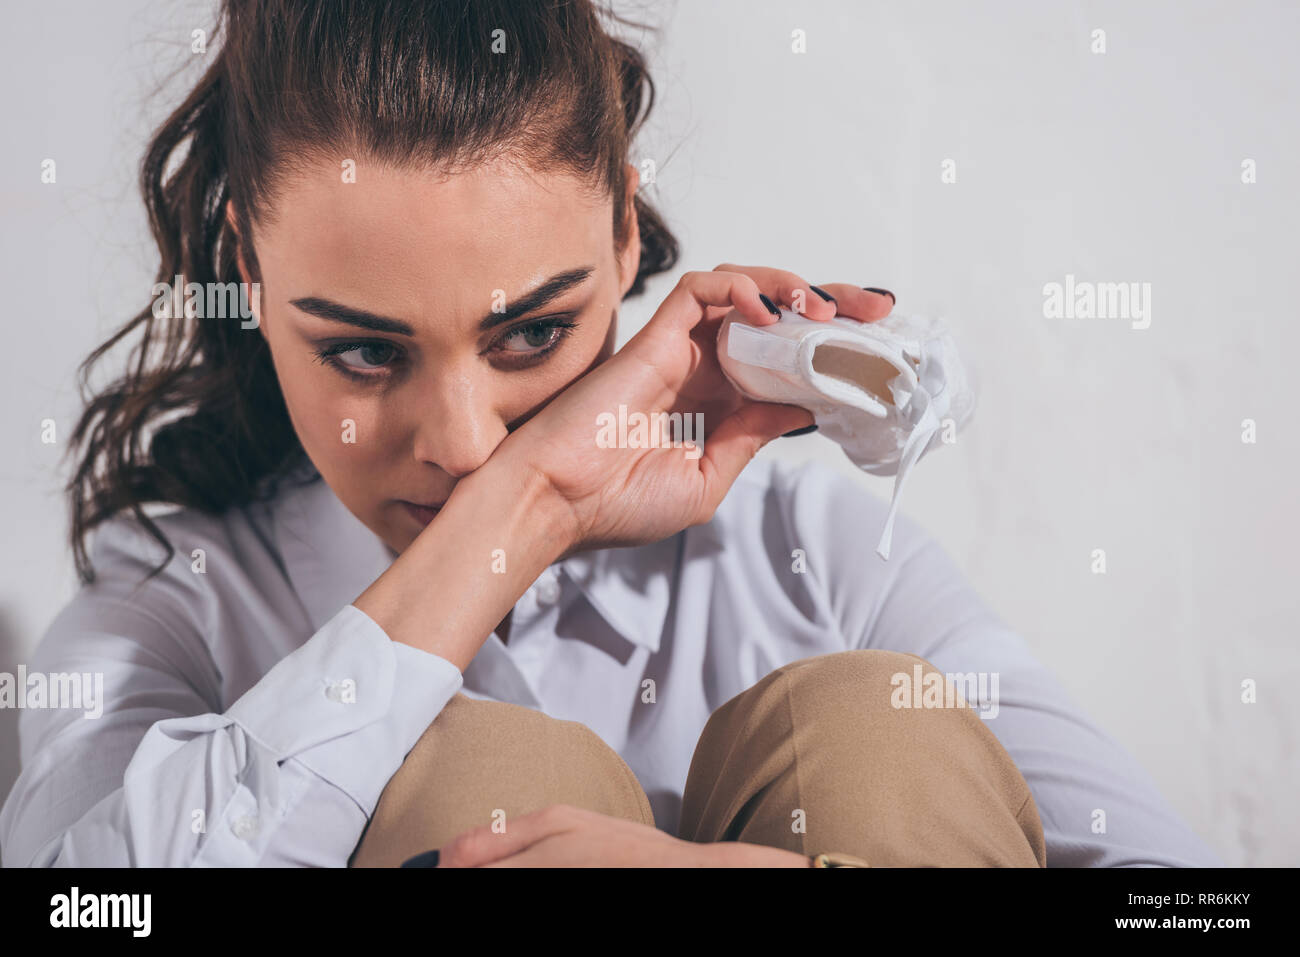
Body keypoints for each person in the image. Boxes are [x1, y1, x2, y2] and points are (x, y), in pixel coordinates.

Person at [0, 0, 1222, 868]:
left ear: (626, 236)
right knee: (468, 779)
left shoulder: (808, 553)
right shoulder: (179, 610)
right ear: (247, 270)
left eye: (530, 334)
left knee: (872, 729)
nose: (470, 445)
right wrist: (527, 510)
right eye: (366, 351)